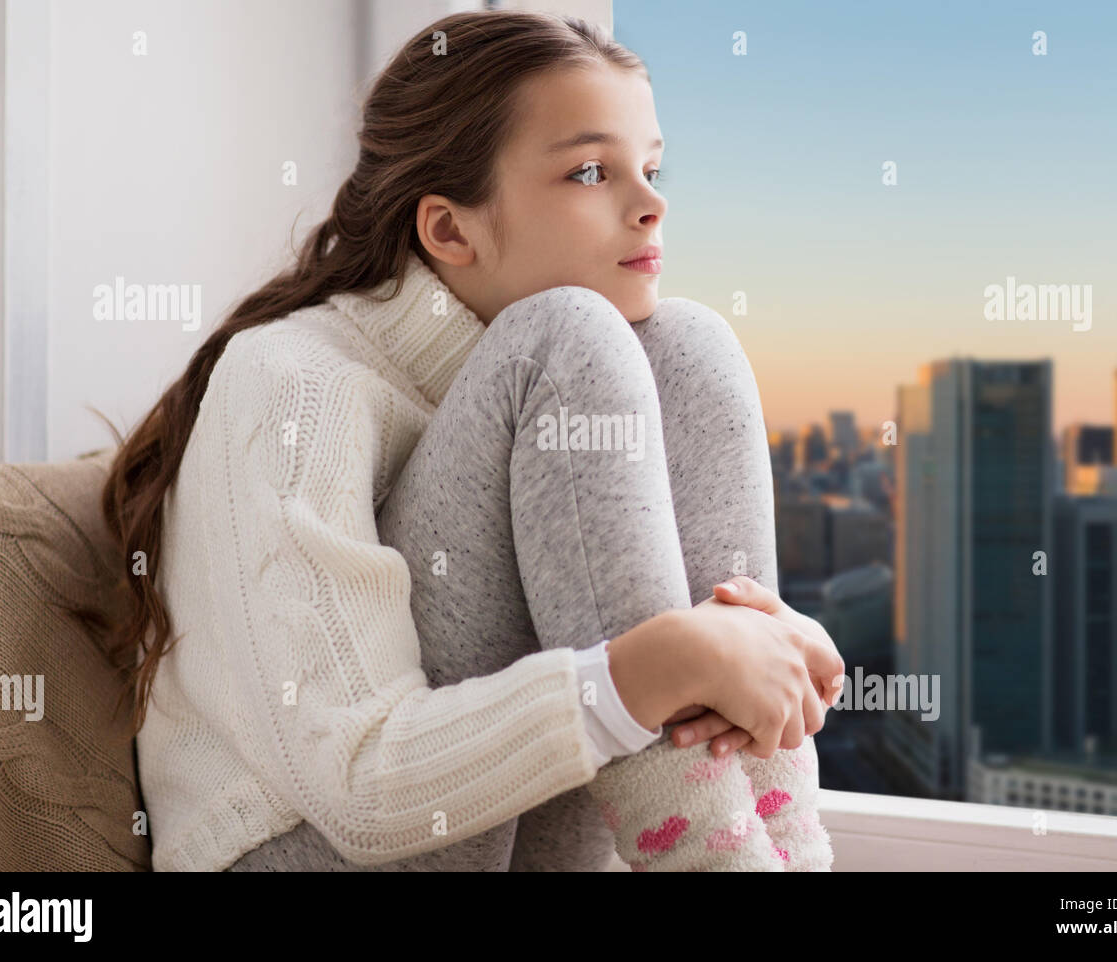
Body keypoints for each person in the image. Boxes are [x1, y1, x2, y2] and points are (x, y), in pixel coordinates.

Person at [99, 9, 844, 872]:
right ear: (449, 230)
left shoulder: (544, 387)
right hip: (313, 846)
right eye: (592, 171)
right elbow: (362, 794)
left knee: (688, 342)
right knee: (568, 340)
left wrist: (764, 649)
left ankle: (781, 855)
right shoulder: (293, 382)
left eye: (651, 166)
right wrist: (656, 668)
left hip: (509, 841)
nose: (651, 204)